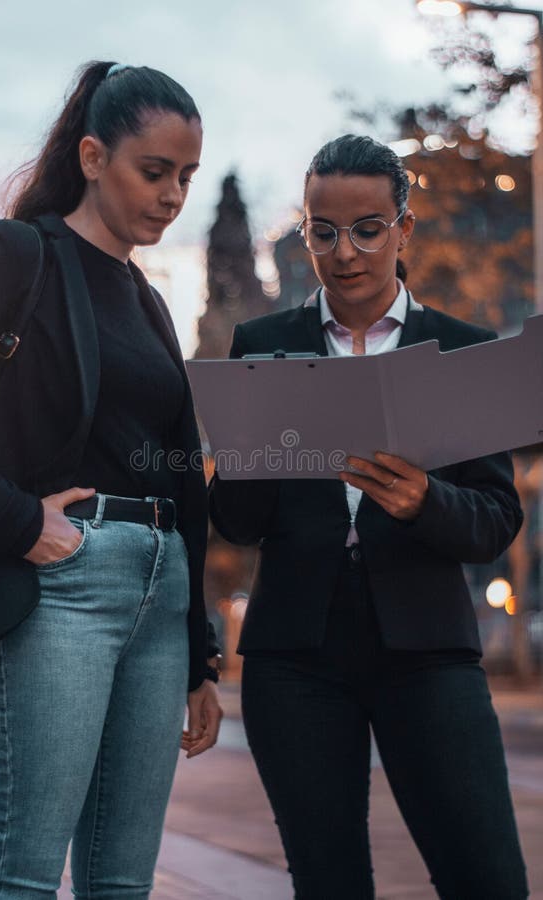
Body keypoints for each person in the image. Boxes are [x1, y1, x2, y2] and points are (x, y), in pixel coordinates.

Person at [209, 134, 528, 899]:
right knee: (329, 881)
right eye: (323, 231)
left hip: (427, 650)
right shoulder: (263, 345)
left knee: (486, 877)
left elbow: (495, 520)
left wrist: (425, 500)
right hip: (296, 660)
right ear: (308, 229)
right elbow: (237, 521)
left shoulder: (460, 351)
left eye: (366, 229)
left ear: (403, 229)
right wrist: (254, 449)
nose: (343, 251)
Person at [0, 61, 222, 899]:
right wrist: (18, 522)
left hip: (160, 597)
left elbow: (178, 471)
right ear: (95, 157)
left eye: (187, 176)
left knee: (122, 885)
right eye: (154, 170)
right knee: (23, 882)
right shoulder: (17, 254)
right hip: (58, 585)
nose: (173, 195)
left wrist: (200, 653)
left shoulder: (148, 299)